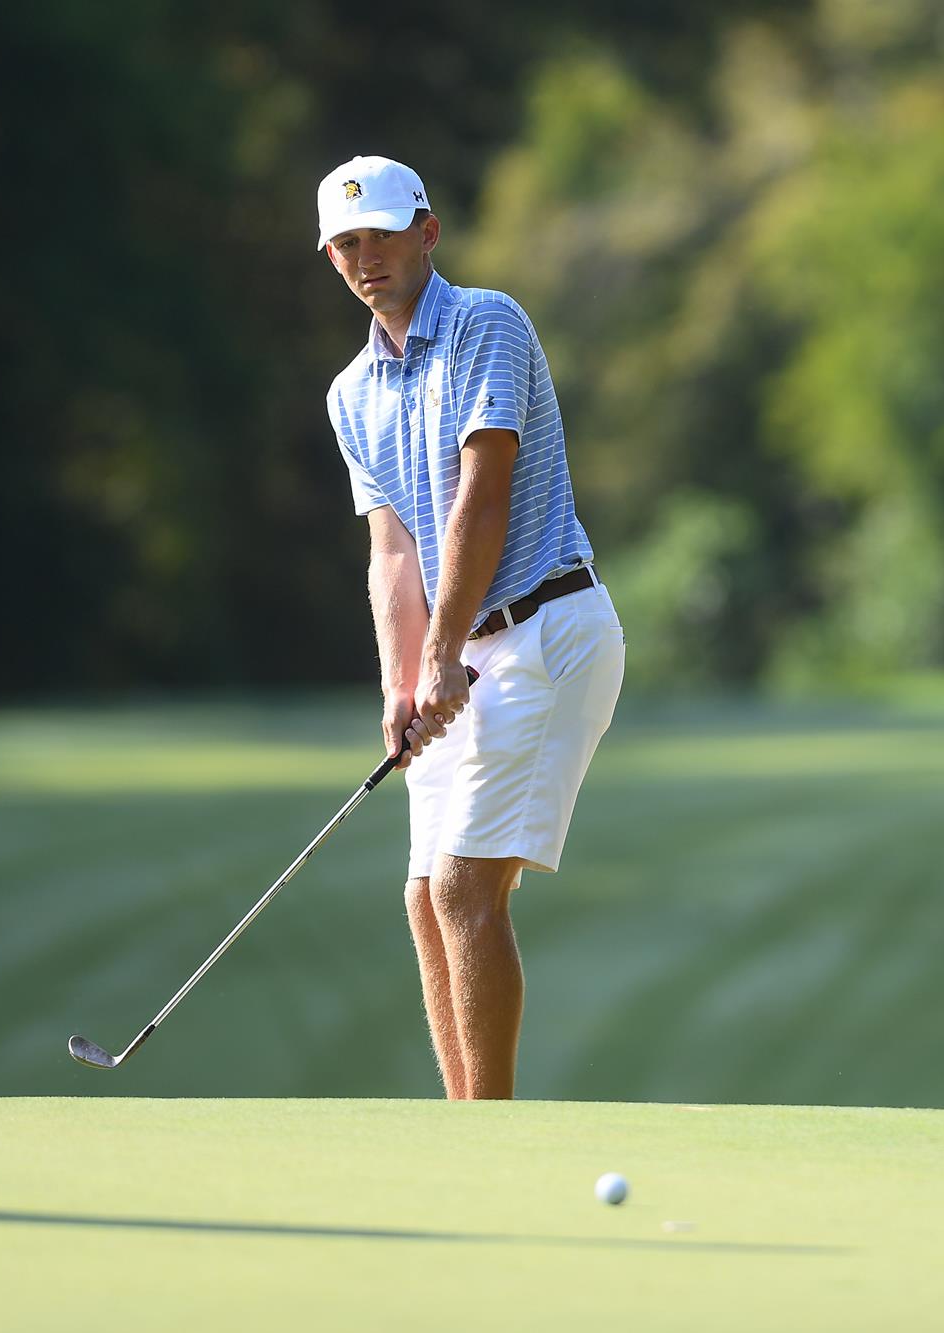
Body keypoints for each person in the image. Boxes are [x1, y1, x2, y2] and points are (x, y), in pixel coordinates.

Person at [316, 156, 625, 1100]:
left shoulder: (486, 322)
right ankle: (465, 1130)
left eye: (383, 236)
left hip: (547, 627)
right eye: (346, 244)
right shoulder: (351, 394)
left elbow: (480, 501)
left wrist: (444, 654)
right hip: (470, 650)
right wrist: (401, 683)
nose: (367, 259)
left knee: (463, 888)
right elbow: (394, 554)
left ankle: (494, 1136)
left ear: (429, 233)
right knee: (423, 896)